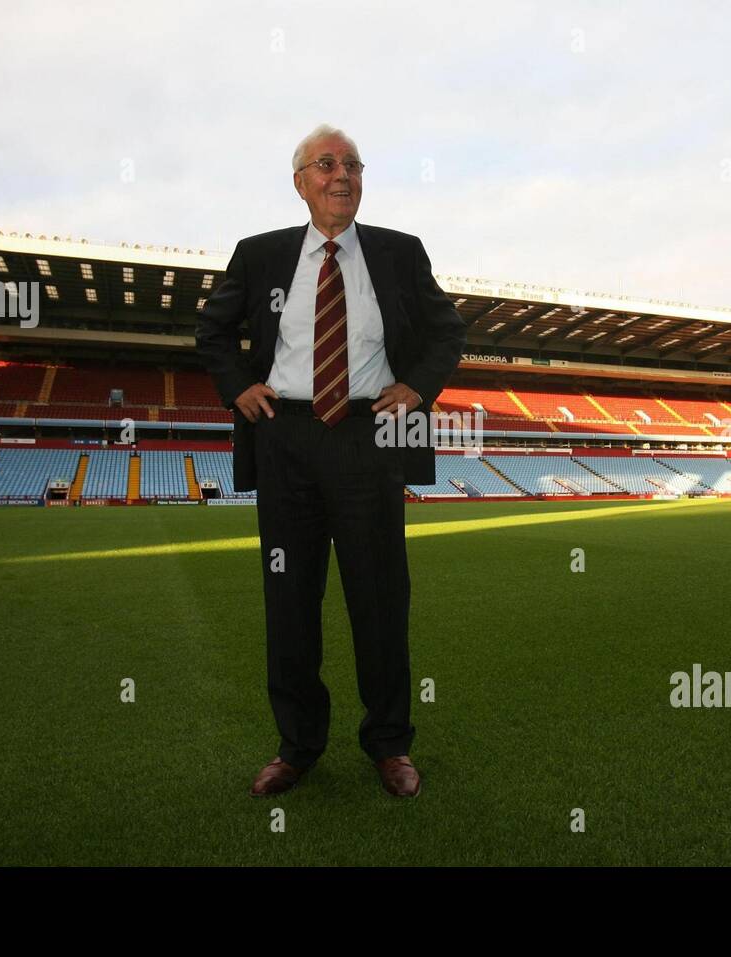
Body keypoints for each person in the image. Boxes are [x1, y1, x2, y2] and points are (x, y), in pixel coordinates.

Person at [195, 124, 466, 798]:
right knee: (289, 599)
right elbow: (213, 329)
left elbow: (446, 331)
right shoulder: (259, 256)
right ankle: (297, 745)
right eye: (326, 164)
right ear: (300, 181)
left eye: (352, 164)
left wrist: (418, 387)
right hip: (283, 439)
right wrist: (238, 386)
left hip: (368, 438)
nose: (341, 174)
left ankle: (389, 743)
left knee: (380, 598)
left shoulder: (400, 254)